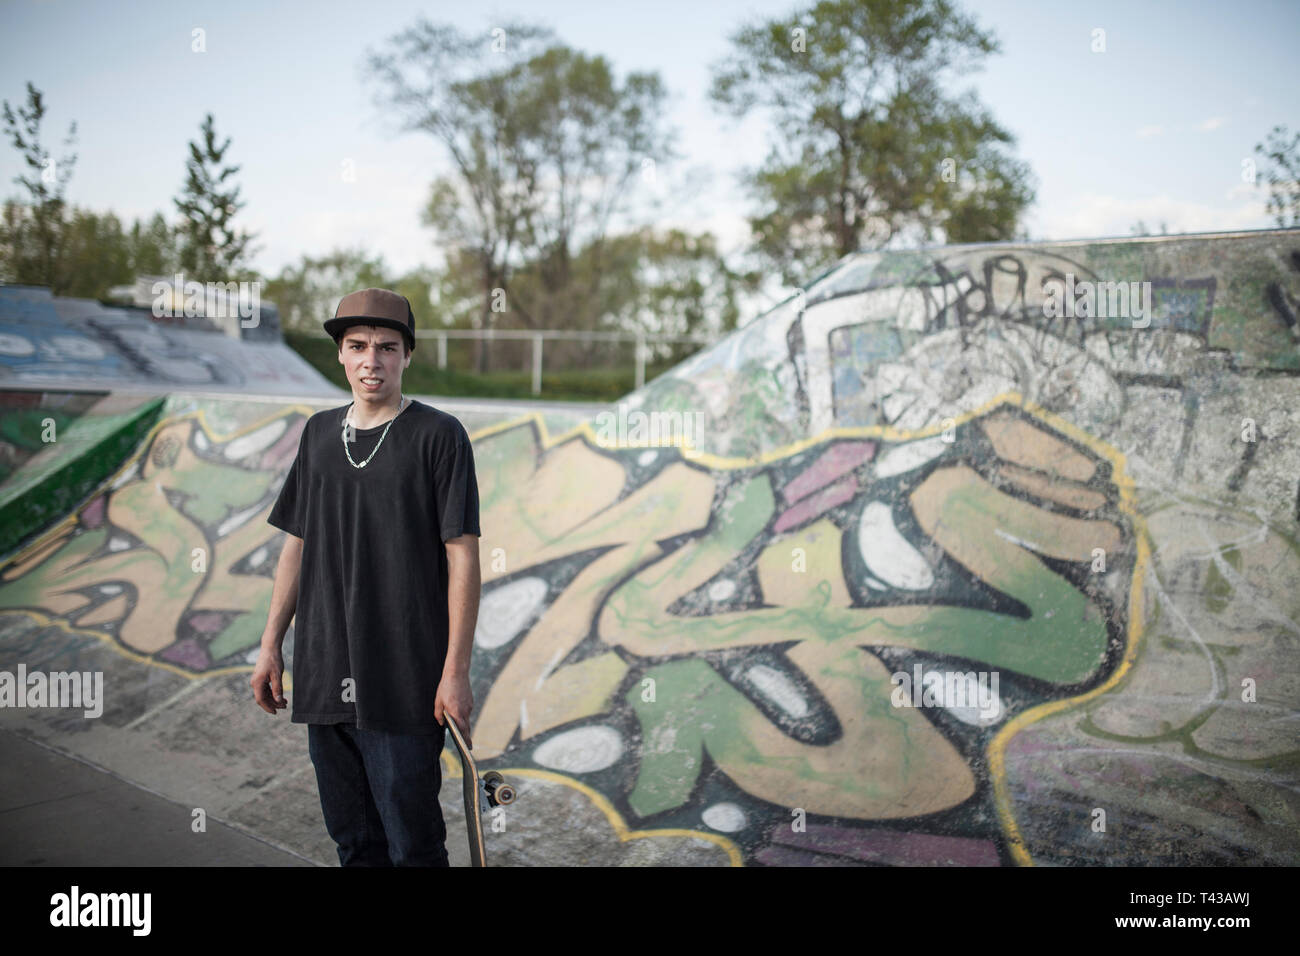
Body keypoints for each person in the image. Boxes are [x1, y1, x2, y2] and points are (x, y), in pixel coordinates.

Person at [251, 287, 481, 867]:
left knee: (414, 845)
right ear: (340, 355)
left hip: (405, 679)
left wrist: (455, 671)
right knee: (355, 844)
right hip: (326, 674)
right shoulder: (319, 434)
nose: (370, 361)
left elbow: (463, 556)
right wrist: (270, 645)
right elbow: (297, 545)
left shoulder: (439, 435)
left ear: (407, 356)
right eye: (357, 346)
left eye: (386, 347)